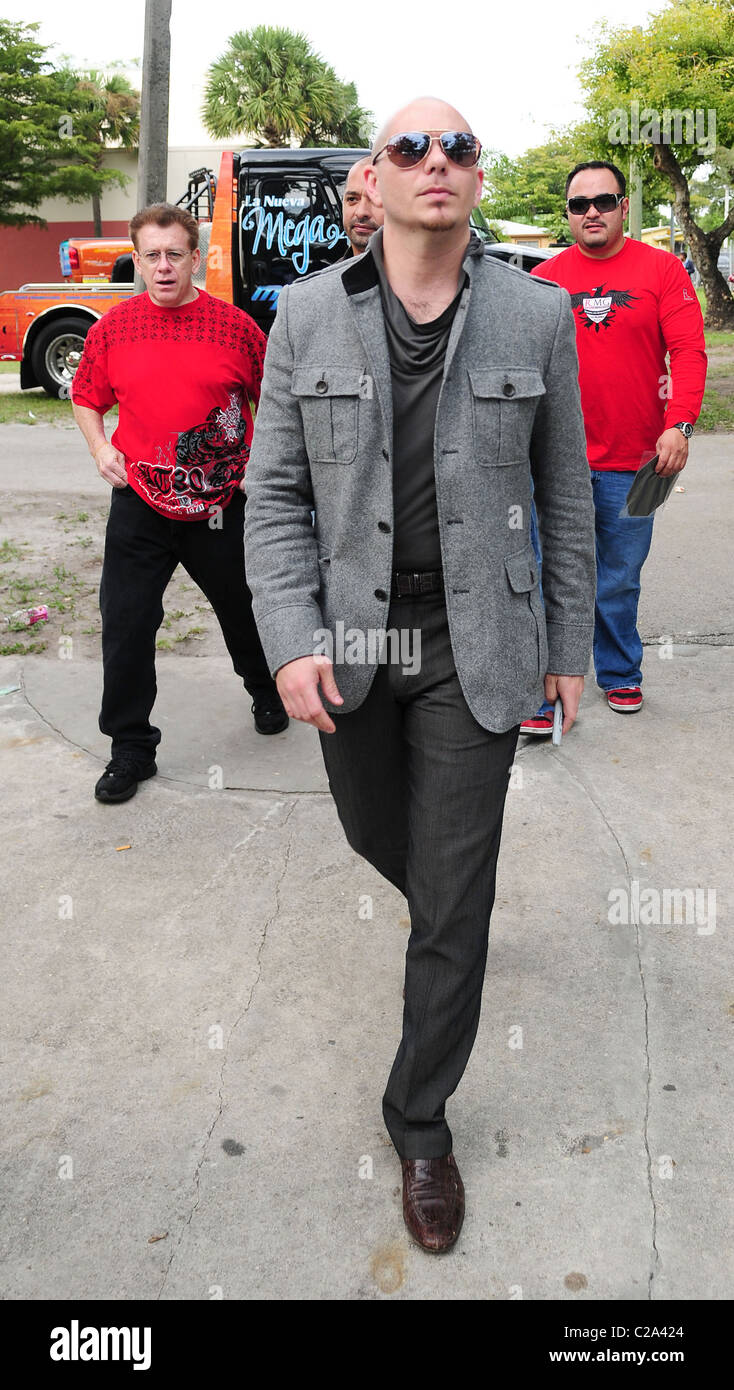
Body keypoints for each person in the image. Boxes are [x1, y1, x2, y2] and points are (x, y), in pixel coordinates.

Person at [244, 96, 595, 1253]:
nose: (433, 163)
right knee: (376, 835)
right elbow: (276, 497)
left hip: (470, 642)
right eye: (409, 147)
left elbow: (561, 498)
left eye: (455, 147)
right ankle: (454, 912)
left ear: (476, 179)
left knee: (451, 898)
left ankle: (420, 1122)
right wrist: (290, 637)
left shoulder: (535, 316)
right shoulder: (302, 315)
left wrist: (563, 647)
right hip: (351, 638)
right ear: (375, 180)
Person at [71, 202, 287, 805]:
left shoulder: (238, 329)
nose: (163, 267)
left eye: (174, 255)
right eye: (150, 256)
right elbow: (87, 397)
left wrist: (258, 466)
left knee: (242, 609)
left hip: (220, 503)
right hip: (139, 500)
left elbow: (274, 404)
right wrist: (98, 448)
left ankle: (266, 688)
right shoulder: (111, 329)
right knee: (127, 623)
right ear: (136, 260)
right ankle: (131, 747)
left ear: (196, 258)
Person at [520, 161, 707, 735]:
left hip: (635, 464)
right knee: (544, 574)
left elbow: (691, 352)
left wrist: (681, 424)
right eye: (580, 204)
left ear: (626, 206)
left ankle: (620, 670)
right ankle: (541, 686)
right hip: (554, 464)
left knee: (618, 579)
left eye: (604, 200)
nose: (592, 212)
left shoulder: (662, 269)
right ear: (568, 215)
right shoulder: (544, 279)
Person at [341, 156, 383, 255]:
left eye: (374, 200)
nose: (361, 212)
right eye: (352, 199)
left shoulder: (421, 270)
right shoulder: (332, 271)